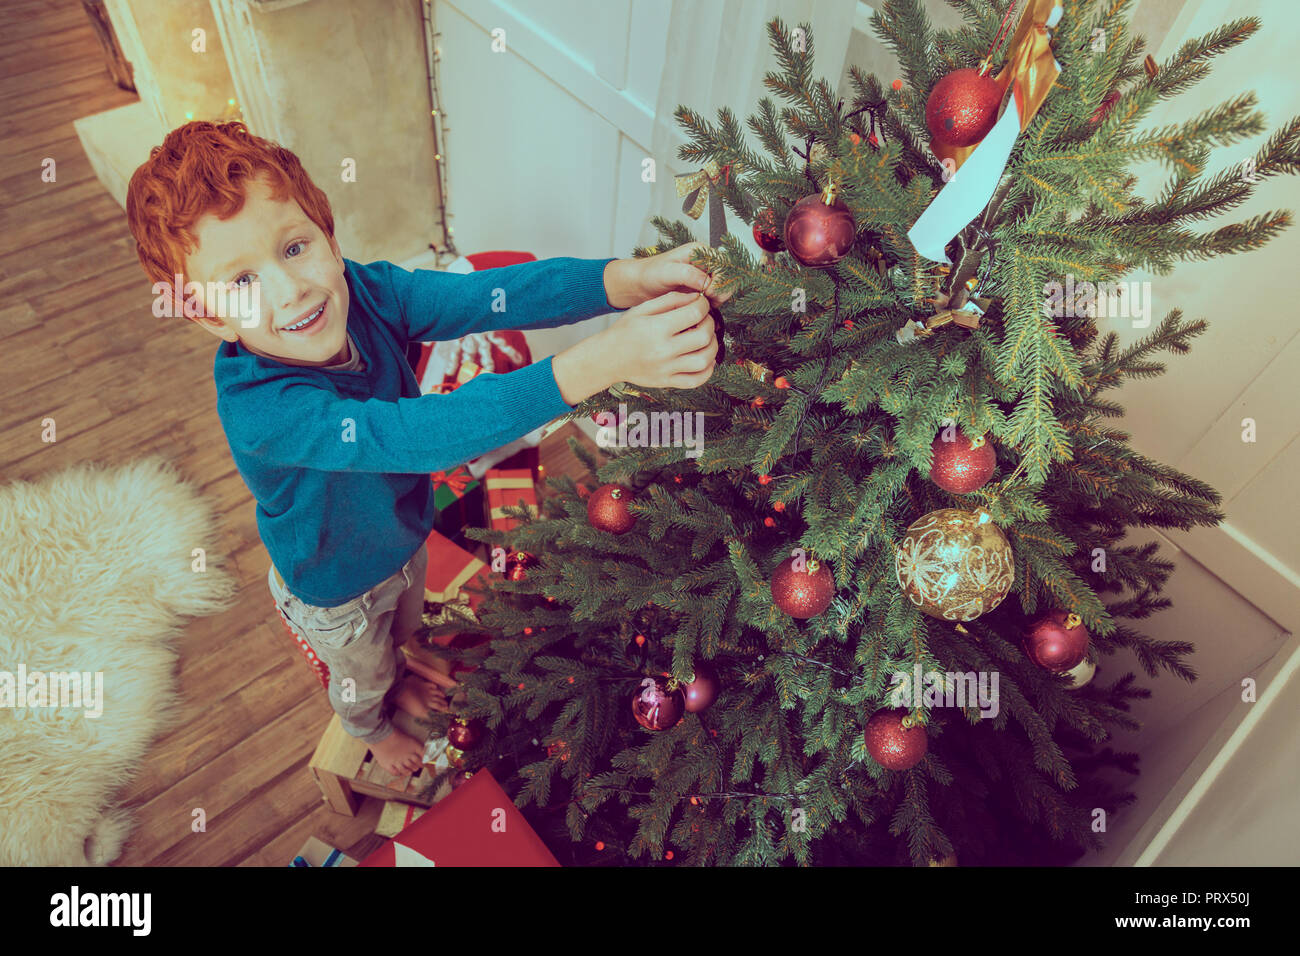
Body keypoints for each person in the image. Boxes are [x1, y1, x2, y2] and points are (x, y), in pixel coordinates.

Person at [124, 121, 730, 775]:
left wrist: (625, 280)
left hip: (404, 532)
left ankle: (406, 664)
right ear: (208, 315)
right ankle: (371, 730)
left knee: (406, 628)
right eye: (240, 282)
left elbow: (487, 296)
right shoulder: (263, 409)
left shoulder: (366, 293)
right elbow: (418, 438)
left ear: (328, 232)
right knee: (360, 673)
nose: (289, 289)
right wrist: (603, 361)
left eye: (295, 247)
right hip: (337, 586)